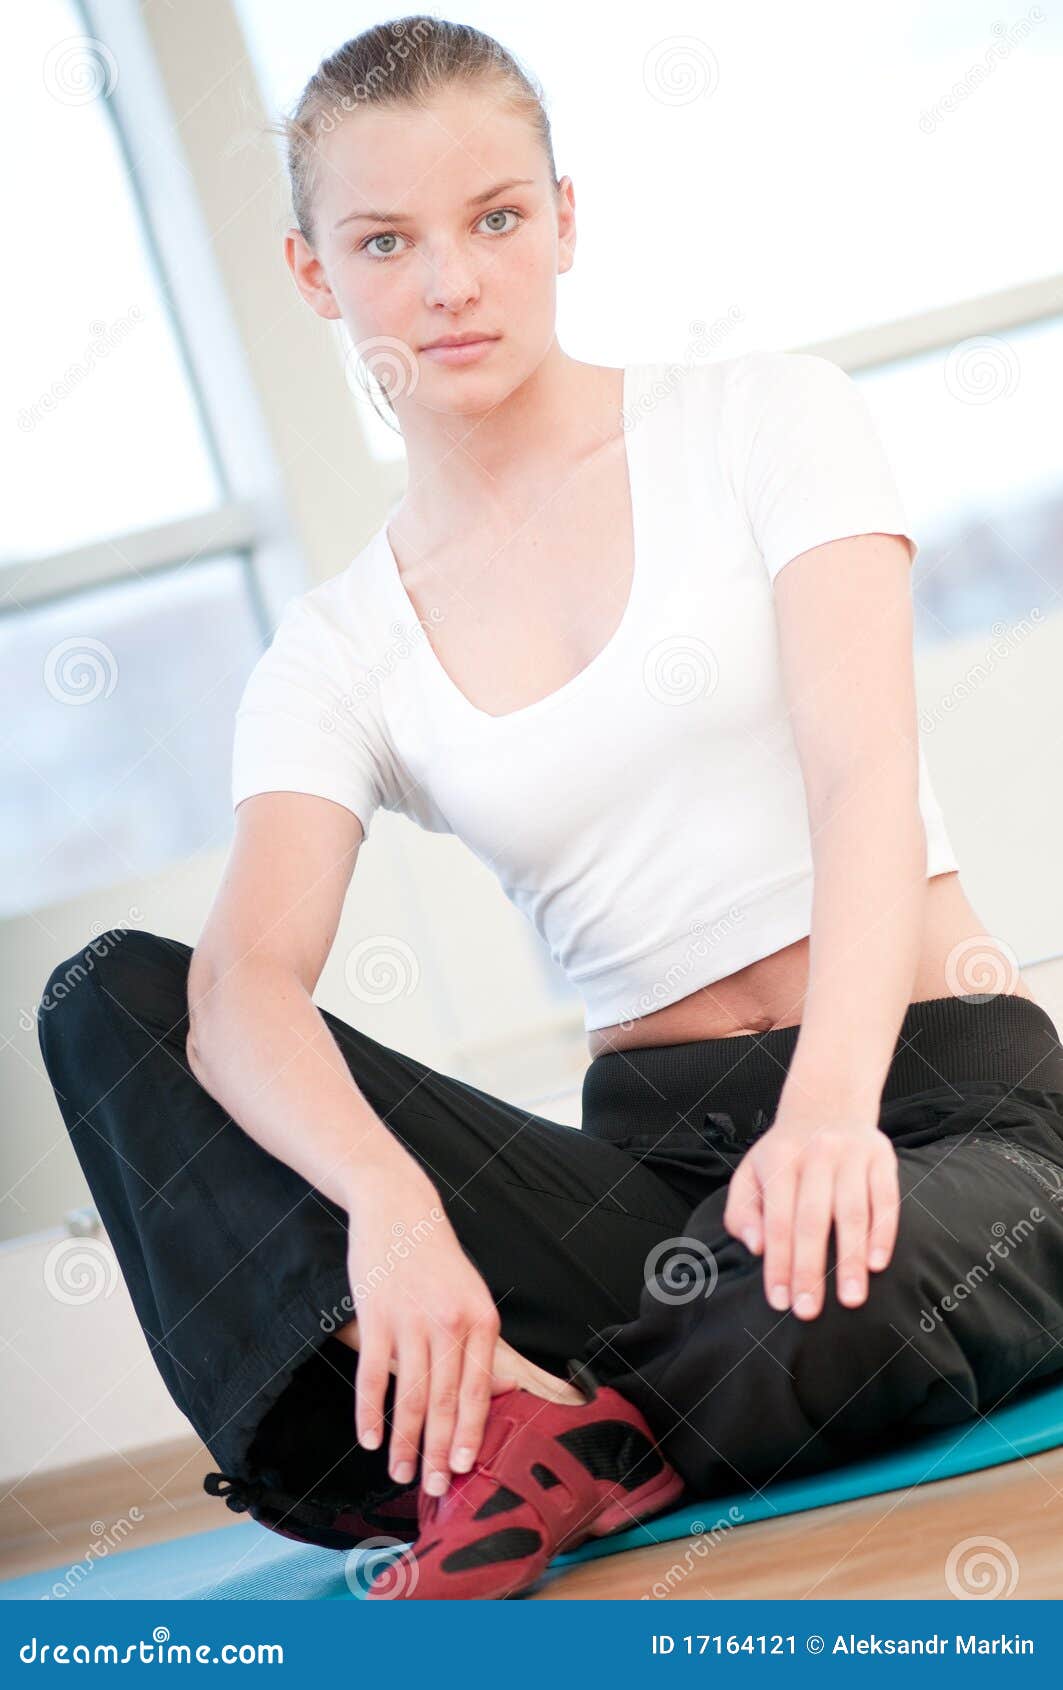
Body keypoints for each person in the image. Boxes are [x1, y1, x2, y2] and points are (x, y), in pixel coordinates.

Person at [38, 17, 1063, 1602]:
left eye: (495, 220)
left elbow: (862, 773)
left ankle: (551, 1430)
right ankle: (543, 1418)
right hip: (657, 1179)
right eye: (386, 240)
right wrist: (387, 1204)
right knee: (107, 1002)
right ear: (316, 276)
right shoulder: (338, 646)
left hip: (936, 1100)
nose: (450, 282)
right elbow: (240, 995)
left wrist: (832, 1108)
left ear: (563, 223)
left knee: (839, 1276)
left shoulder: (764, 419)